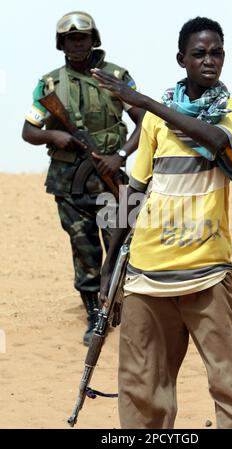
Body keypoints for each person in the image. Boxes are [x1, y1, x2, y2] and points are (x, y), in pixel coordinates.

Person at [92, 16, 232, 428]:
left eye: (216, 52)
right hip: (147, 275)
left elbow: (216, 141)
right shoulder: (154, 123)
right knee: (142, 388)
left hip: (207, 273)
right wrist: (110, 263)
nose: (209, 60)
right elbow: (133, 190)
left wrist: (145, 102)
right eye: (199, 53)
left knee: (229, 385)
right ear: (181, 59)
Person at [22, 11, 144, 346]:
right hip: (67, 181)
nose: (78, 44)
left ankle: (126, 310)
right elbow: (28, 131)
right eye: (71, 39)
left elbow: (144, 121)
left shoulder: (116, 77)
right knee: (84, 250)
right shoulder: (48, 84)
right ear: (61, 44)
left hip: (110, 177)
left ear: (94, 40)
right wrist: (54, 138)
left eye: (83, 37)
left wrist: (119, 156)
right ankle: (95, 314)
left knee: (122, 246)